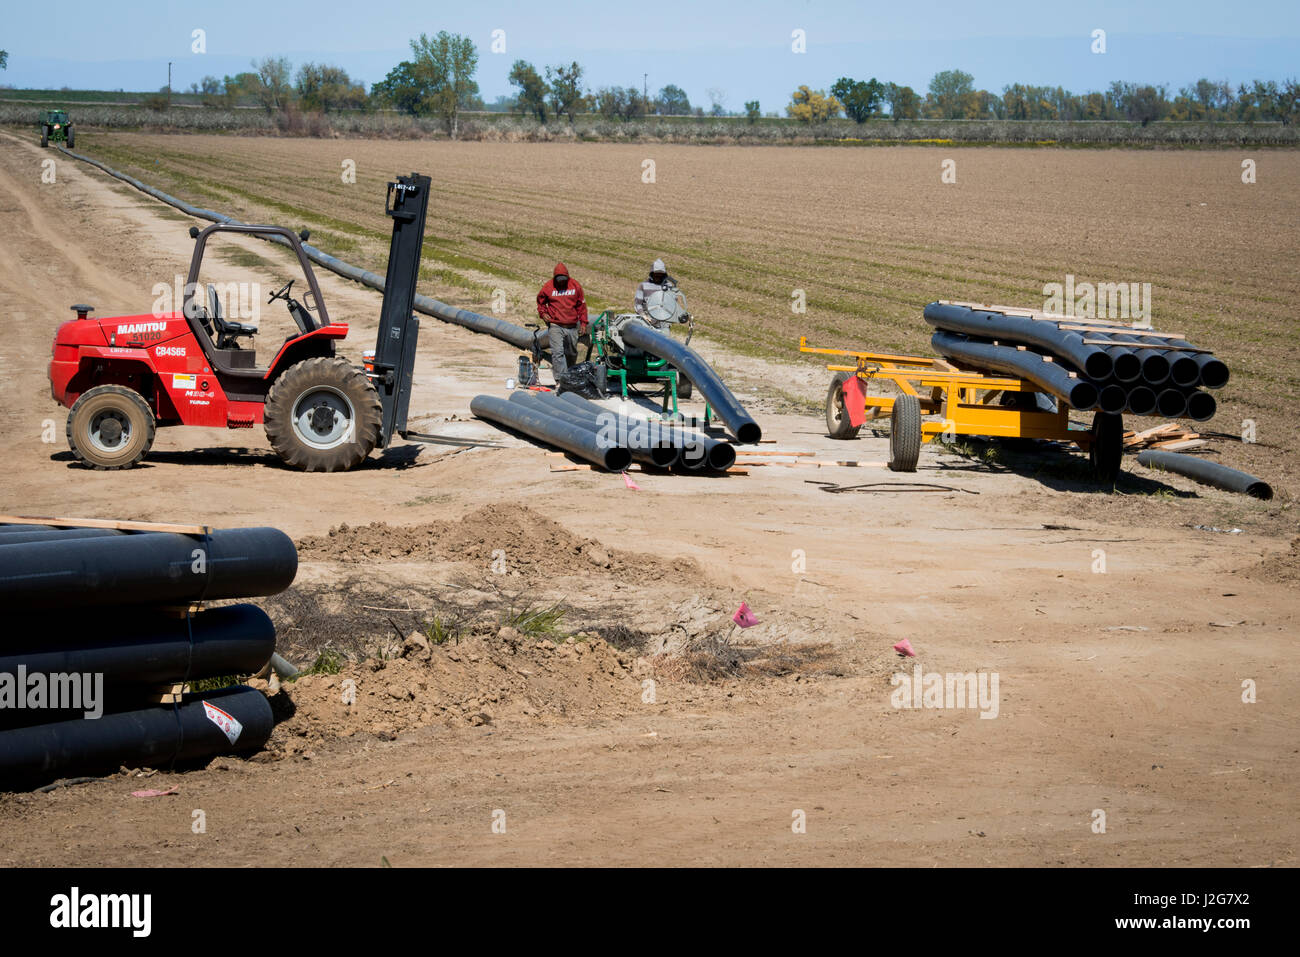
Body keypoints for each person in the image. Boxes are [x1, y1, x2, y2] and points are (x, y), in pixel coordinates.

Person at [536, 263, 588, 380]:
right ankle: (561, 379)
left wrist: (583, 323)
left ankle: (570, 375)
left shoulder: (575, 286)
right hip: (555, 324)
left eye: (563, 279)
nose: (561, 282)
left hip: (572, 325)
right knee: (558, 352)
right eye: (559, 280)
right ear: (555, 278)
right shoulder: (549, 287)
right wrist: (543, 313)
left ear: (567, 277)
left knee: (571, 353)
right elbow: (541, 302)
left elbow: (582, 306)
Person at [633, 259, 676, 323]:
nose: (658, 276)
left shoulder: (668, 286)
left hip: (663, 321)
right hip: (646, 321)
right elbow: (638, 304)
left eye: (660, 274)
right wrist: (643, 316)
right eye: (656, 274)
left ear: (664, 275)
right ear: (652, 273)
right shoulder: (643, 286)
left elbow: (673, 304)